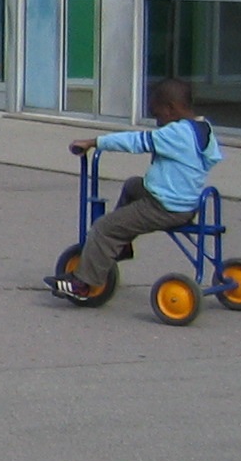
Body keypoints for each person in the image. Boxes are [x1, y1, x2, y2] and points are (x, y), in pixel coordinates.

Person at [47, 77, 223, 301]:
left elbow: (136, 141)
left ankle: (83, 284)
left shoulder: (177, 134)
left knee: (104, 228)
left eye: (157, 114)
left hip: (164, 206)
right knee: (133, 185)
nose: (156, 120)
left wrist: (95, 142)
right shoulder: (203, 128)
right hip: (188, 202)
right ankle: (120, 247)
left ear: (171, 108)